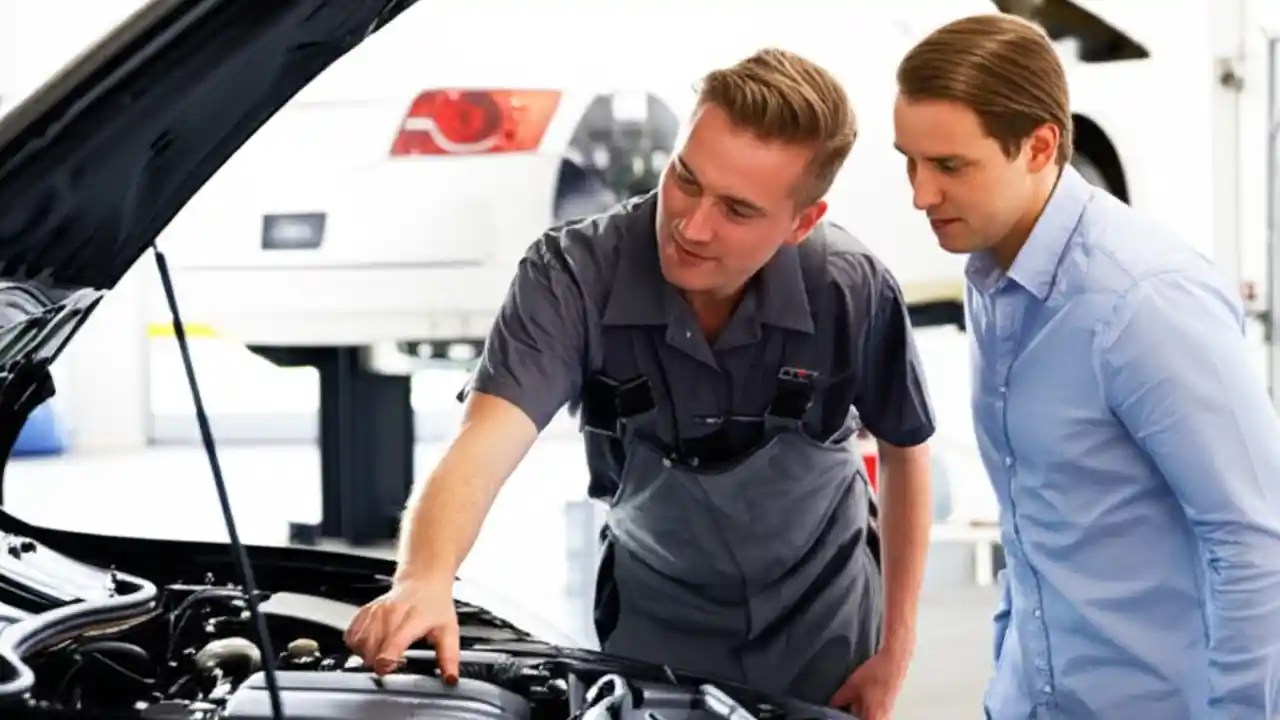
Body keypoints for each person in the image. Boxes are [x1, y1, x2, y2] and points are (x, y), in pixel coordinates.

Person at [344, 47, 936, 716]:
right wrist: (424, 576)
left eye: (737, 211)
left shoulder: (849, 288)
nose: (691, 225)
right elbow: (485, 439)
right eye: (685, 179)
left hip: (823, 628)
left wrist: (895, 649)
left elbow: (905, 449)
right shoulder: (571, 275)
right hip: (655, 627)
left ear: (801, 222)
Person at [893, 13, 1280, 719]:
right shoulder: (993, 281)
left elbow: (1254, 539)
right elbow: (1032, 516)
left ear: (1040, 146)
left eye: (949, 166)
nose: (921, 194)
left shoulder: (1143, 300)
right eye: (909, 162)